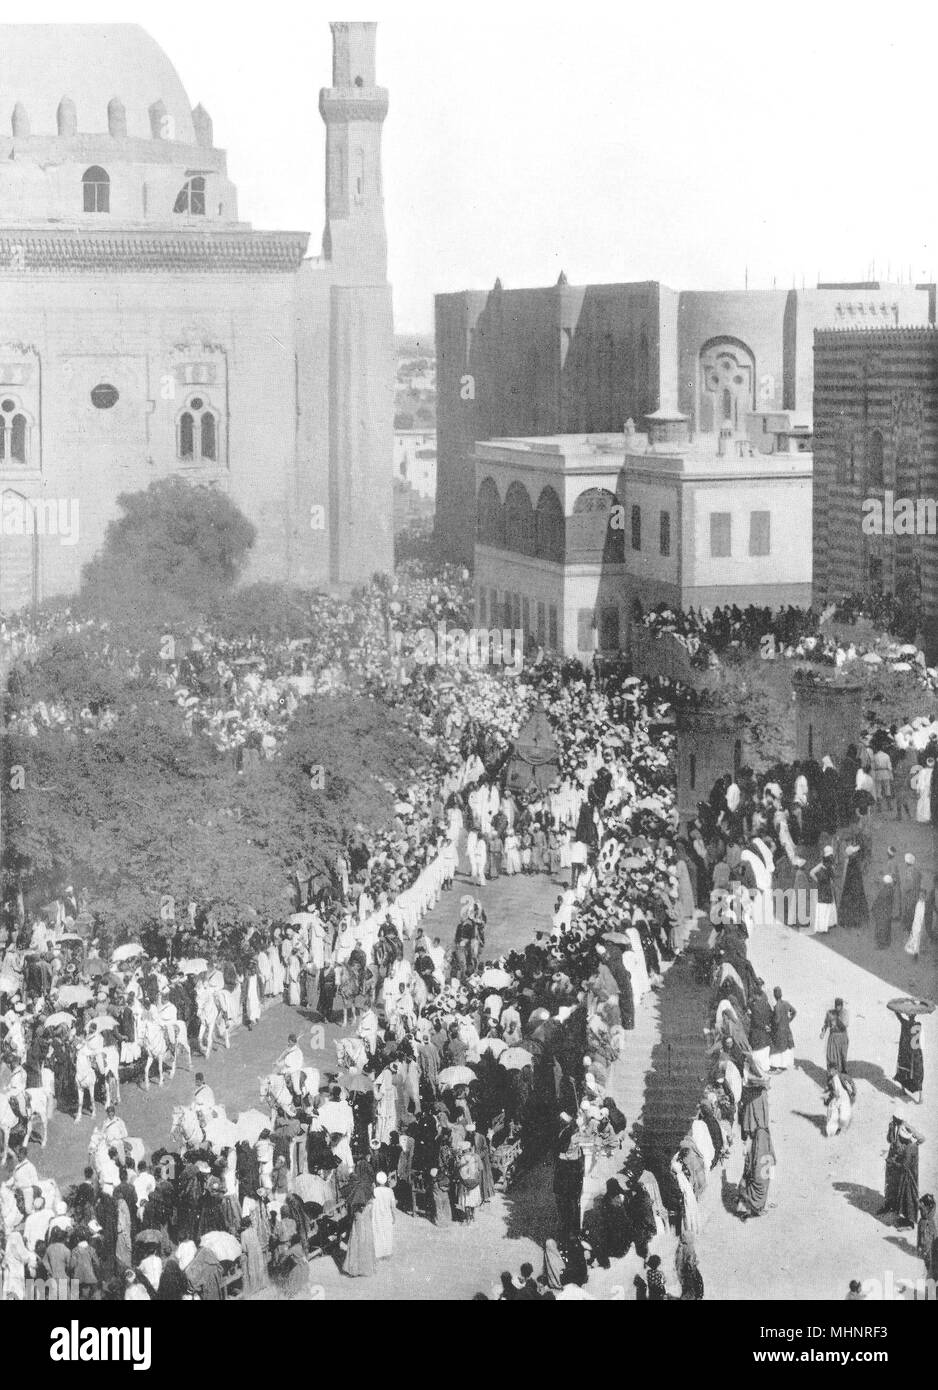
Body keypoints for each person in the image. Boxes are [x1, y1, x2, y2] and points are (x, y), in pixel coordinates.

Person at [880, 1116, 923, 1228]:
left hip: (901, 1162)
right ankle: (889, 1205)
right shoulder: (893, 1125)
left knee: (902, 1189)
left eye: (897, 1119)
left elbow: (921, 1138)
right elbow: (890, 1140)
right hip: (893, 1160)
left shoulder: (907, 1129)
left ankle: (902, 1214)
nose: (895, 1120)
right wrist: (890, 1129)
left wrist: (912, 1146)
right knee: (890, 1184)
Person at [820, 998, 852, 1090]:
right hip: (833, 1038)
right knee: (831, 1059)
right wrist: (823, 1032)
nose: (837, 1008)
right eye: (836, 1006)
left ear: (842, 1006)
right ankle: (831, 1082)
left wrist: (837, 1019)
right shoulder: (830, 1013)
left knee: (842, 1060)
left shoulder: (845, 1013)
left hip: (842, 1038)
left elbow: (844, 1025)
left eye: (839, 1006)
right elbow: (826, 1023)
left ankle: (843, 1081)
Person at [893, 1009, 924, 1104]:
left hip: (907, 1050)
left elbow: (899, 1018)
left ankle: (903, 1089)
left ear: (908, 1016)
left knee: (903, 1069)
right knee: (917, 1073)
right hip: (917, 1052)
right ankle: (921, 1097)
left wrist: (896, 1011)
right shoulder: (919, 1024)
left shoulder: (906, 1024)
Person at [769, 987, 796, 1072]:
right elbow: (794, 1012)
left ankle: (776, 1065)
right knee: (785, 1047)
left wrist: (771, 1024)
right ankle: (784, 1065)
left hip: (779, 1030)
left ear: (774, 995)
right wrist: (789, 1020)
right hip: (786, 1028)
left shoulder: (777, 1006)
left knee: (777, 1047)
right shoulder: (786, 1003)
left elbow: (777, 1020)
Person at [372, 1171, 396, 1260]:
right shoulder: (390, 1191)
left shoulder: (374, 1191)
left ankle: (378, 1254)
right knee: (388, 1234)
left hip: (377, 1215)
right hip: (387, 1215)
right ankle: (387, 1253)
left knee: (378, 1233)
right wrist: (394, 1216)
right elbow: (393, 1206)